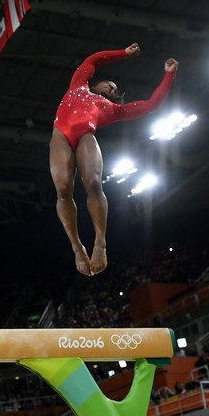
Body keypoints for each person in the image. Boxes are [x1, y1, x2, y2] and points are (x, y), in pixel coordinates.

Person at [49, 43, 178, 275]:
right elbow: (93, 60)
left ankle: (100, 243)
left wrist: (169, 75)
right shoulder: (79, 85)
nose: (111, 86)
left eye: (114, 88)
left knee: (94, 185)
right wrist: (124, 54)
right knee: (62, 189)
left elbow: (151, 105)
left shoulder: (112, 109)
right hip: (61, 136)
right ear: (96, 83)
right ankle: (77, 246)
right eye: (108, 82)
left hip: (86, 136)